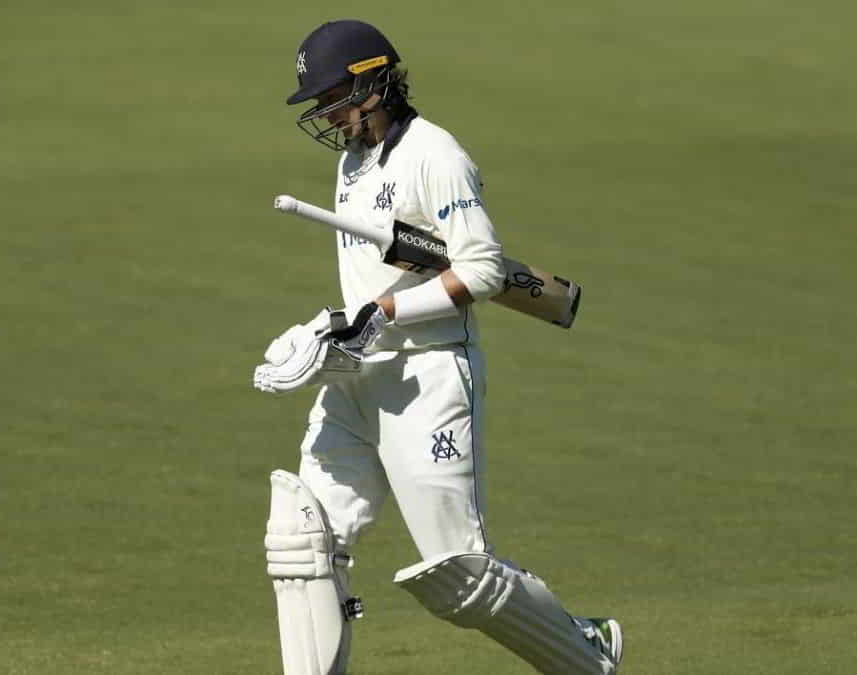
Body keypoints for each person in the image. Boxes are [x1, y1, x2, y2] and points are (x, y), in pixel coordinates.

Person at [255, 19, 623, 675]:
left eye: (335, 96)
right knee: (302, 540)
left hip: (428, 379)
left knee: (461, 576)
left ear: (374, 84)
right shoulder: (353, 161)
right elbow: (375, 284)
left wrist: (387, 310)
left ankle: (587, 650)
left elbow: (480, 270)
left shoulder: (437, 157)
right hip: (358, 378)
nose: (328, 113)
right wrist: (331, 329)